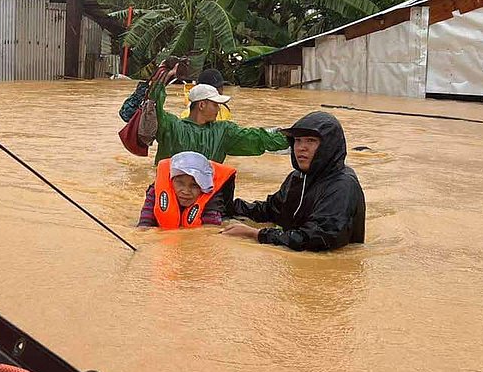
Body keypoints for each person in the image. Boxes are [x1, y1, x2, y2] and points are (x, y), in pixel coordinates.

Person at [221, 112, 365, 251]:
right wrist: (224, 206)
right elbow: (271, 210)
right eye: (297, 140)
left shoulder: (342, 185)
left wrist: (254, 234)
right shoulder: (298, 177)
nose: (301, 147)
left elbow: (318, 238)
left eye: (311, 140)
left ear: (328, 145)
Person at [152, 73, 288, 164]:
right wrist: (165, 75)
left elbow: (257, 137)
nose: (218, 109)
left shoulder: (223, 131)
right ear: (201, 105)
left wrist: (288, 137)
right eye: (215, 104)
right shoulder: (172, 126)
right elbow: (152, 108)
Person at [138, 151, 236, 228]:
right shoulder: (156, 191)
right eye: (180, 183)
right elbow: (144, 226)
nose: (186, 191)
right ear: (171, 181)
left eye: (194, 185)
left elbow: (209, 231)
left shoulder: (212, 198)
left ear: (203, 186)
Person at [118, 65, 231, 124]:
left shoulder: (222, 121)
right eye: (217, 90)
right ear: (202, 104)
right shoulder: (179, 124)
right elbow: (128, 115)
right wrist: (161, 77)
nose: (221, 93)